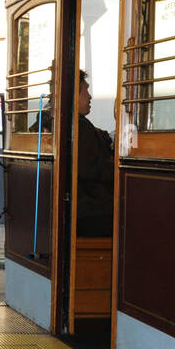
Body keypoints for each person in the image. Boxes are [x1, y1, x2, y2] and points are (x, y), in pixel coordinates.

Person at [76, 70, 115, 238]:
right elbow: (92, 168)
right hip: (89, 208)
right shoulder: (79, 126)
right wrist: (120, 170)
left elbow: (97, 136)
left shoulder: (58, 119)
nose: (90, 96)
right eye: (86, 90)